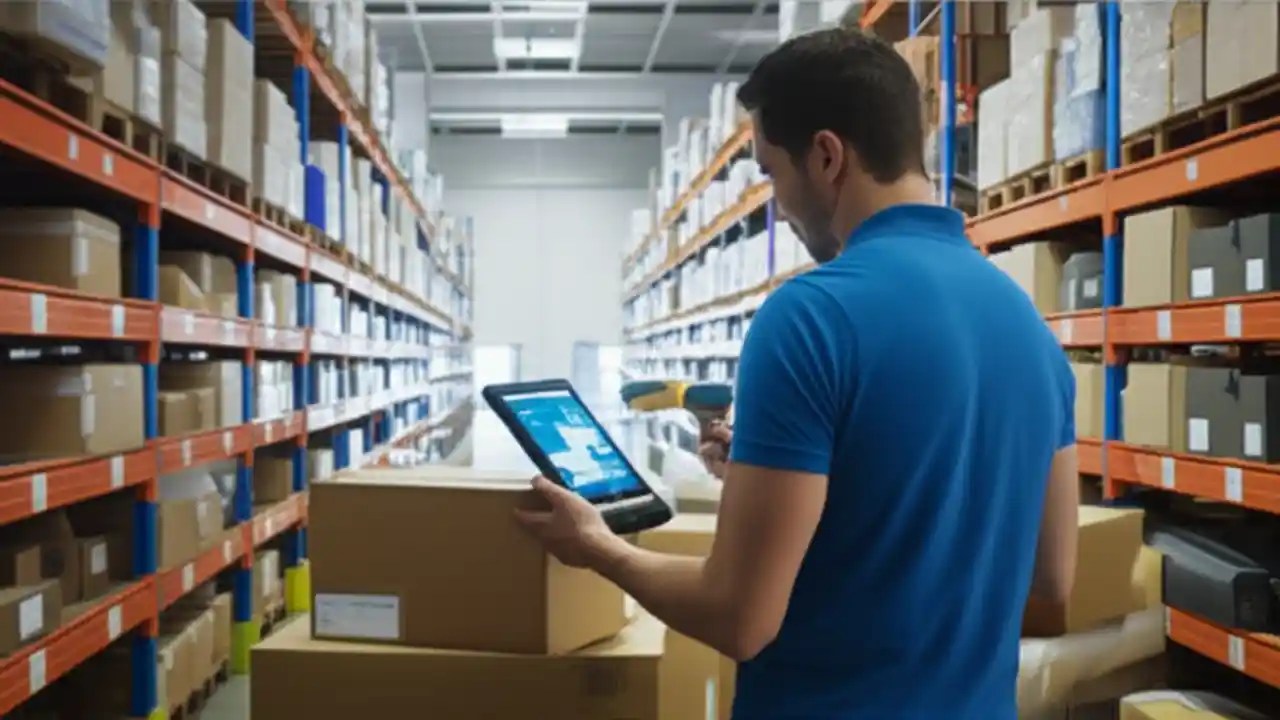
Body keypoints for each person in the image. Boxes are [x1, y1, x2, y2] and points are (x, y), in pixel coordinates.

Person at [515, 27, 1078, 719]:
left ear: (826, 155)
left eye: (771, 173)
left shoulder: (810, 316)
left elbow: (738, 618)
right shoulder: (1029, 325)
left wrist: (600, 549)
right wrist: (781, 481)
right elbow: (1051, 575)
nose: (778, 203)